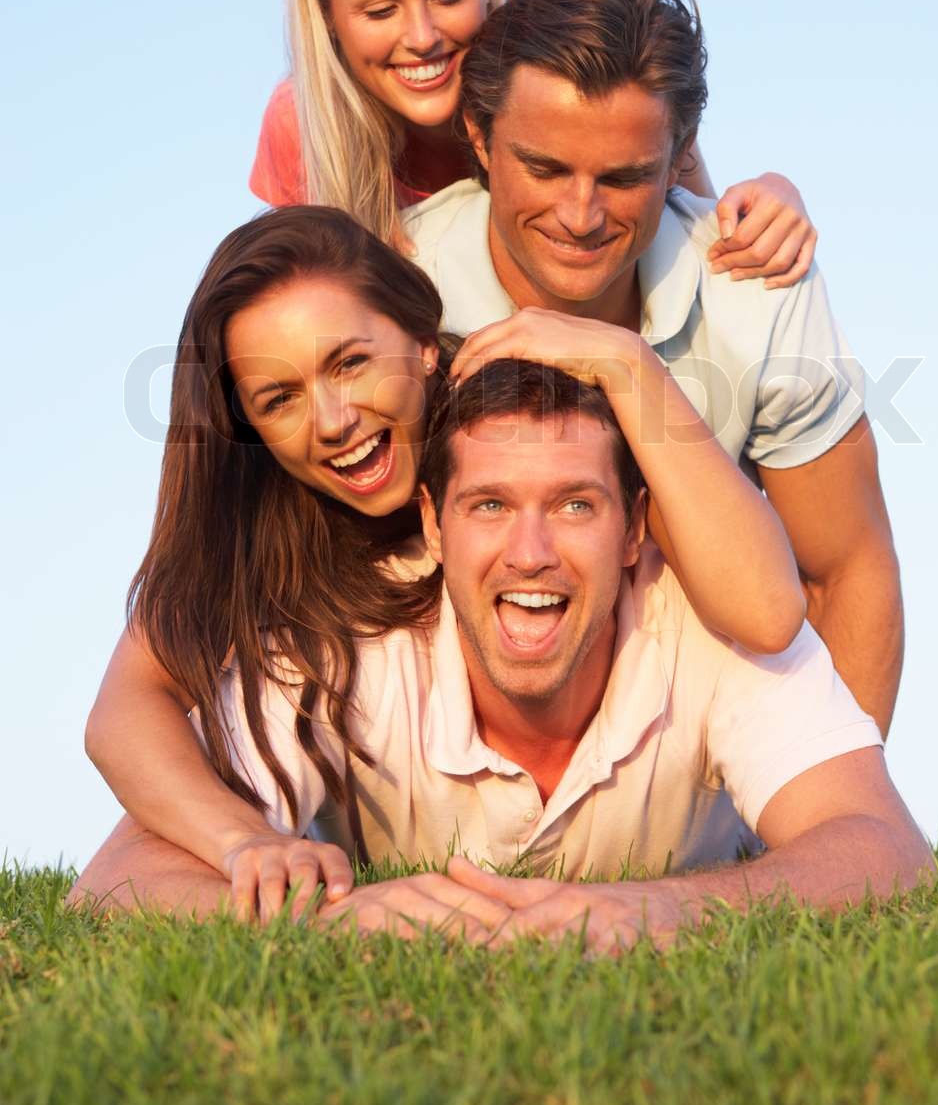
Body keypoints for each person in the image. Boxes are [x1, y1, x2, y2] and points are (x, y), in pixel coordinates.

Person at [70, 362, 931, 952]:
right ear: (433, 526)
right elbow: (117, 880)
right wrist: (331, 924)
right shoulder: (345, 639)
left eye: (573, 505)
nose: (529, 553)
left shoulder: (711, 617)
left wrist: (660, 908)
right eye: (488, 505)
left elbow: (884, 848)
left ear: (634, 528)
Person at [84, 206, 804, 909]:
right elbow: (124, 711)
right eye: (280, 399)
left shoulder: (532, 427)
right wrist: (243, 841)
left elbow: (768, 614)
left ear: (425, 344)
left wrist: (623, 357)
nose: (334, 421)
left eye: (351, 362)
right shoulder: (266, 530)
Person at [403, 0, 903, 738]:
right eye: (543, 168)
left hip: (687, 683)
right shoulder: (400, 286)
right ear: (477, 137)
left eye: (623, 177)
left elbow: (845, 572)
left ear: (678, 160)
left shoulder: (758, 290)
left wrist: (840, 818)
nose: (579, 215)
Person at [249, 0, 818, 286]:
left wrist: (773, 197)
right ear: (326, 13)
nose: (421, 36)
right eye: (379, 10)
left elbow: (698, 237)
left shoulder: (564, 80)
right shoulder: (300, 123)